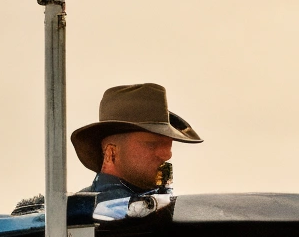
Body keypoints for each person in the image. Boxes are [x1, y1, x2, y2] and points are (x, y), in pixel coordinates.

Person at [70, 83, 202, 203]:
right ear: (111, 153)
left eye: (169, 144)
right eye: (152, 144)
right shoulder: (78, 213)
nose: (167, 154)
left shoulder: (166, 205)